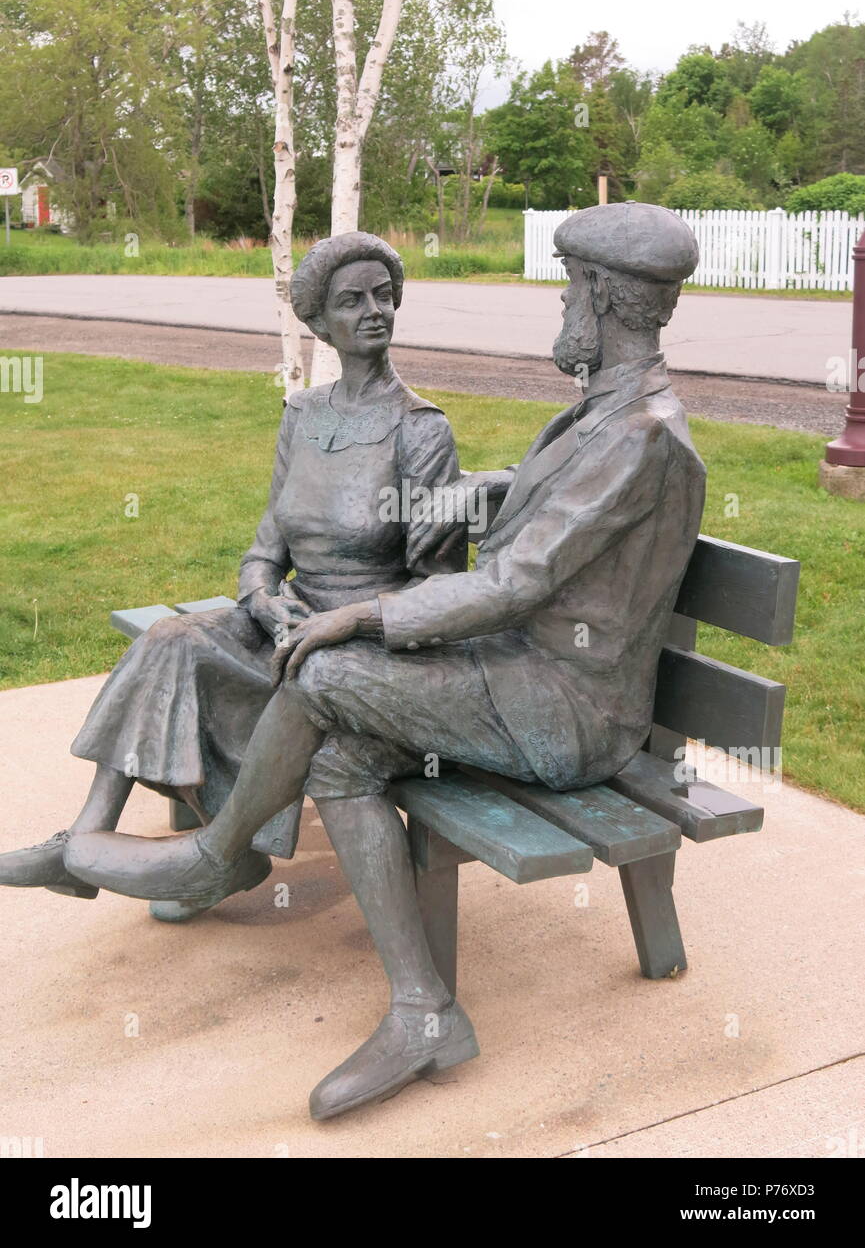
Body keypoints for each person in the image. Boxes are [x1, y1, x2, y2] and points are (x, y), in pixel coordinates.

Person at [64, 203, 707, 1121]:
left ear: (603, 296)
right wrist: (470, 494)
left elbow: (517, 584)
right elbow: (544, 522)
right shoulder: (602, 416)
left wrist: (361, 615)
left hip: (569, 709)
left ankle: (213, 857)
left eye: (569, 288)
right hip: (523, 674)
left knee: (328, 677)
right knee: (339, 749)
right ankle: (425, 1012)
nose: (561, 306)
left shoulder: (639, 433)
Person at [0, 231, 473, 918]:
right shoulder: (303, 415)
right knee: (169, 640)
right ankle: (85, 839)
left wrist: (343, 623)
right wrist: (260, 598)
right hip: (286, 624)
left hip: (360, 651)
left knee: (207, 668)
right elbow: (264, 548)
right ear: (319, 324)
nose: (373, 310)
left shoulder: (421, 430)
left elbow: (437, 593)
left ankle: (194, 861)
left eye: (383, 296)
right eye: (351, 301)